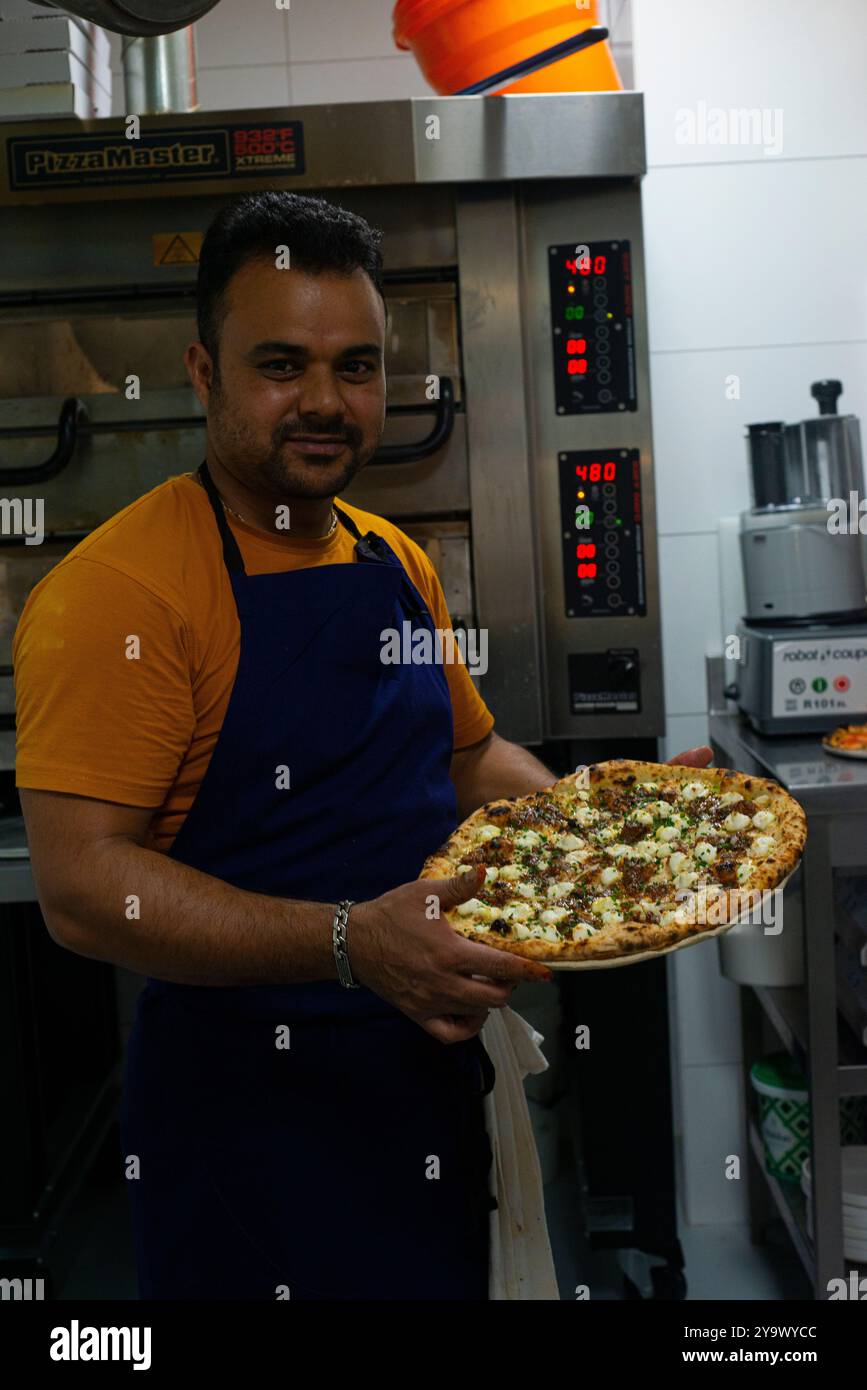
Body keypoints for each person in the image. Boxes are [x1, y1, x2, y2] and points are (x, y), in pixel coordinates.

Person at [14, 190, 712, 1300]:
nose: (325, 402)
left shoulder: (393, 557)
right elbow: (84, 889)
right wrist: (350, 942)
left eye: (357, 366)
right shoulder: (118, 593)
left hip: (421, 1087)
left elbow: (464, 759)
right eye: (281, 364)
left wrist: (601, 832)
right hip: (248, 1126)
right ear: (203, 373)